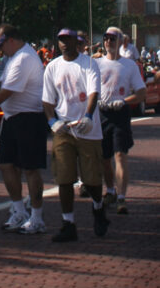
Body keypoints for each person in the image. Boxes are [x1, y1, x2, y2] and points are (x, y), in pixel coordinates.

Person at [0, 24, 48, 234]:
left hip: (28, 118)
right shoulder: (12, 59)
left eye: (1, 45)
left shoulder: (24, 58)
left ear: (11, 41)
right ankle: (18, 211)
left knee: (31, 168)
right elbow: (4, 85)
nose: (0, 51)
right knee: (6, 164)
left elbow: (7, 92)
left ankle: (37, 217)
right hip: (11, 118)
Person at [42, 27, 107, 243]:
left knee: (91, 180)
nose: (64, 43)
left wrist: (88, 116)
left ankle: (98, 207)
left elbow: (93, 92)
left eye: (67, 39)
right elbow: (47, 100)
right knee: (64, 177)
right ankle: (68, 223)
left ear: (75, 41)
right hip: (64, 130)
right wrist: (52, 121)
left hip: (87, 129)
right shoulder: (52, 67)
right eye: (60, 40)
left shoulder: (89, 63)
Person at [97, 26, 146, 214]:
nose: (108, 41)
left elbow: (141, 93)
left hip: (120, 115)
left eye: (112, 38)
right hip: (102, 114)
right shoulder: (97, 64)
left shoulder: (129, 65)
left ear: (120, 42)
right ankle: (110, 190)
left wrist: (123, 101)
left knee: (120, 155)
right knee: (104, 157)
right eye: (106, 38)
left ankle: (121, 196)